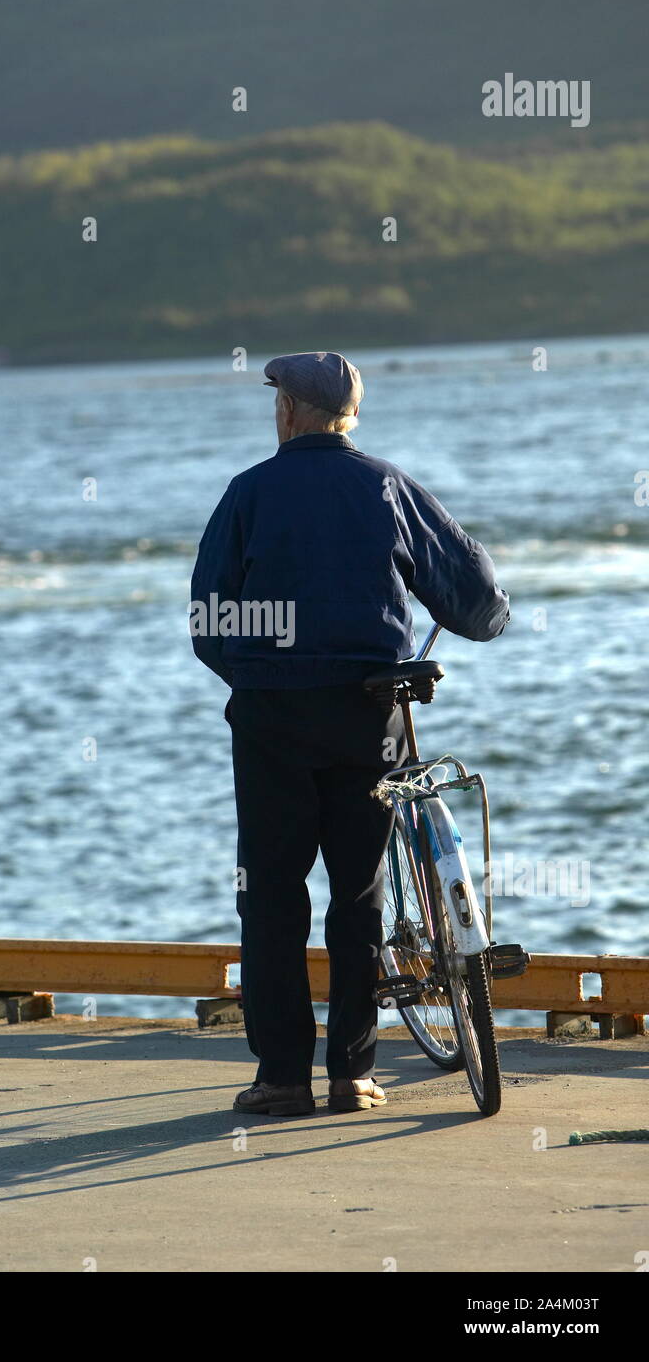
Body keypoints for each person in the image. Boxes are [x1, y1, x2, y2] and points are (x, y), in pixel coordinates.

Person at [190, 351, 509, 1116]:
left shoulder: (248, 494)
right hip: (370, 714)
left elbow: (207, 621)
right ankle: (354, 1074)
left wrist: (260, 673)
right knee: (358, 895)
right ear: (350, 415)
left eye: (278, 401)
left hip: (272, 720)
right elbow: (477, 600)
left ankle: (282, 1079)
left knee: (270, 895)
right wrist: (483, 617)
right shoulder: (387, 488)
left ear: (291, 412)